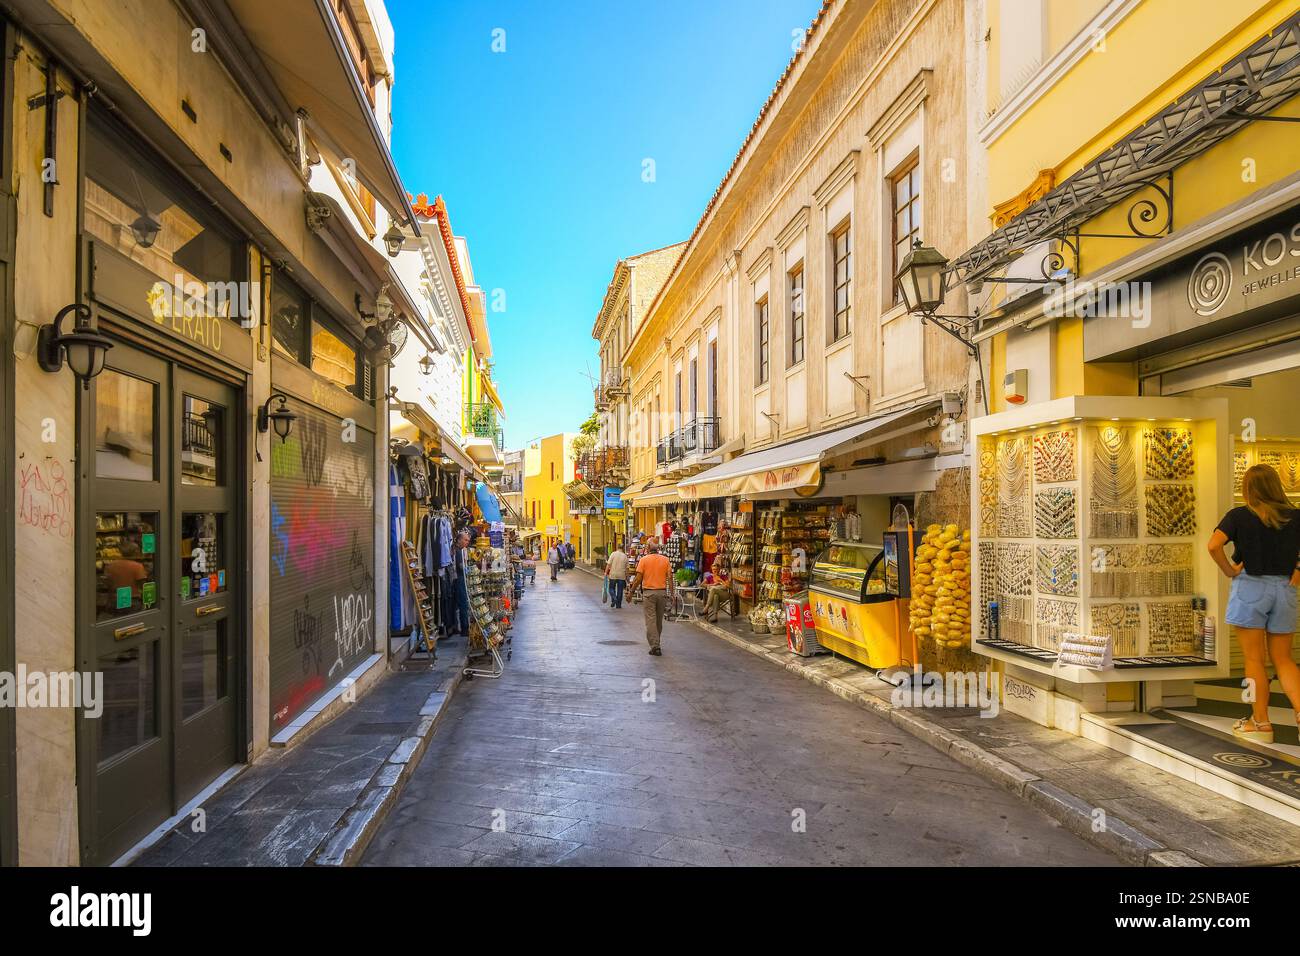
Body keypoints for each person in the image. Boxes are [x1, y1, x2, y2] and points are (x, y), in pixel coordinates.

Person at [1208, 463, 1300, 744]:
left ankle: (1261, 723)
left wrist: (1229, 570)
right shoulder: (1294, 516)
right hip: (1285, 588)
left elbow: (1213, 545)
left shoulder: (1239, 515)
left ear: (1248, 489)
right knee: (1284, 659)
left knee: (1253, 658)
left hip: (1250, 586)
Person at [629, 541, 673, 656]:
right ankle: (656, 642)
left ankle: (655, 646)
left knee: (650, 621)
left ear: (648, 549)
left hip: (649, 594)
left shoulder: (644, 560)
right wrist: (672, 594)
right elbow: (670, 578)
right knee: (658, 620)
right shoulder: (665, 560)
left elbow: (638, 578)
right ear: (657, 549)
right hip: (662, 593)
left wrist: (631, 592)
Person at [701, 556, 734, 623]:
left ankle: (706, 608)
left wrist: (720, 580)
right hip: (713, 596)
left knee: (713, 590)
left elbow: (729, 586)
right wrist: (712, 585)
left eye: (716, 570)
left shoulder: (723, 576)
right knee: (715, 596)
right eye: (713, 570)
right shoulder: (709, 577)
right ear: (711, 570)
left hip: (724, 594)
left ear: (719, 570)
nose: (715, 571)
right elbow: (702, 585)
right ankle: (715, 617)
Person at [606, 544, 629, 609]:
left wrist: (605, 572)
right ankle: (618, 605)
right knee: (620, 590)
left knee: (611, 588)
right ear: (623, 548)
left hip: (613, 575)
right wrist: (627, 578)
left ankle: (614, 598)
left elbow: (608, 564)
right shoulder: (625, 556)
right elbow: (627, 569)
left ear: (617, 547)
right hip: (621, 575)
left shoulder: (613, 554)